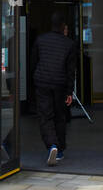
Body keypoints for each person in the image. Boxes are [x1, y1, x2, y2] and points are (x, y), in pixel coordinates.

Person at [30, 12, 77, 166]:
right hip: (60, 85)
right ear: (63, 26)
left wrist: (34, 80)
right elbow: (71, 71)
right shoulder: (69, 44)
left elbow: (33, 63)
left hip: (42, 83)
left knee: (45, 116)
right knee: (60, 117)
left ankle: (52, 145)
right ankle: (60, 150)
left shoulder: (40, 40)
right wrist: (70, 92)